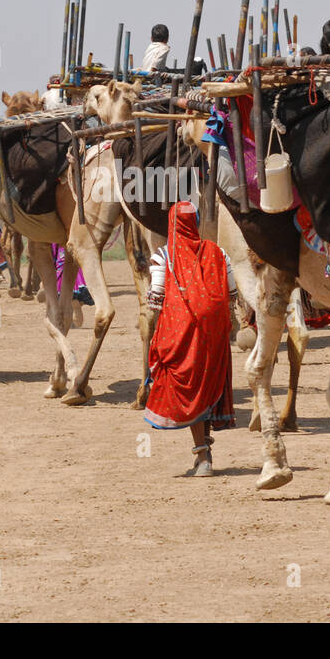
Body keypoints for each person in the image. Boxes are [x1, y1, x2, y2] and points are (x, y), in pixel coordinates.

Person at [143, 201, 238, 477]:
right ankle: (203, 452)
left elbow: (156, 299)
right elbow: (231, 294)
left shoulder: (164, 256)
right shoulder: (218, 252)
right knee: (206, 386)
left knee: (190, 389)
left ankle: (203, 454)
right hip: (216, 335)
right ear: (194, 223)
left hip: (181, 335)